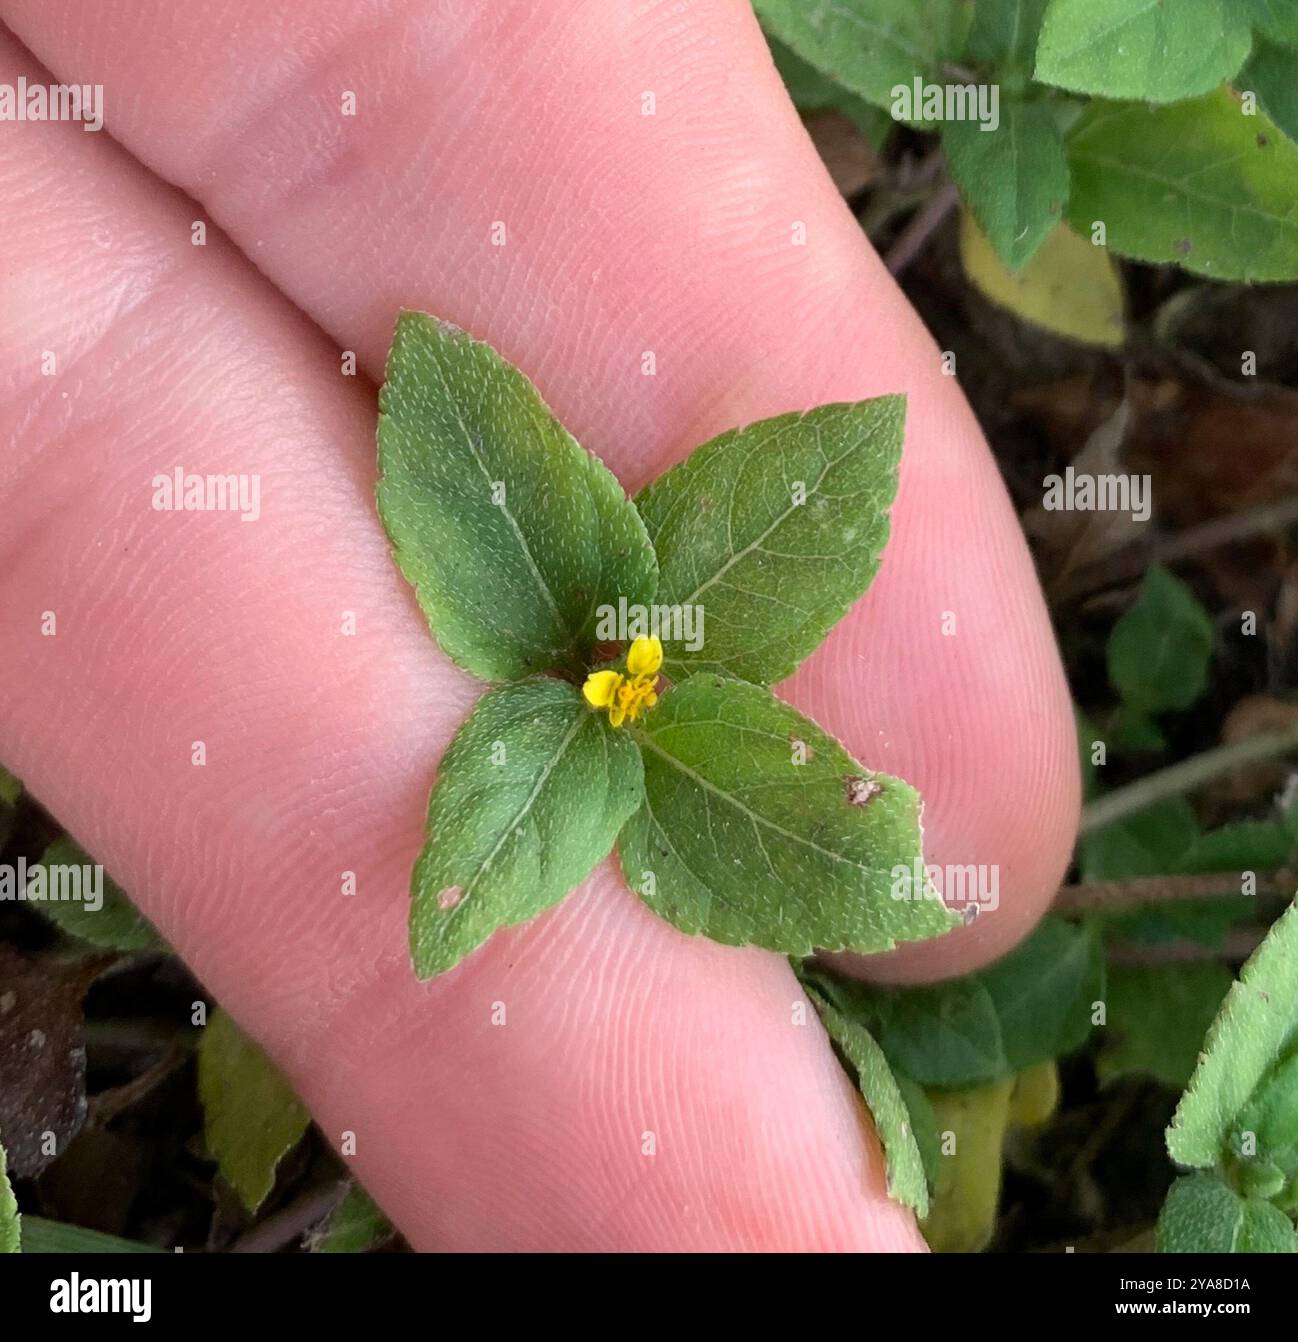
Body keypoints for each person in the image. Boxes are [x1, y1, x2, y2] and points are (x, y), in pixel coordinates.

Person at [0, 1, 1078, 1250]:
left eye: (624, 693)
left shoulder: (644, 699)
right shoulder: (593, 680)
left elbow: (824, 481)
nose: (622, 689)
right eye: (622, 690)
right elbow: (459, 419)